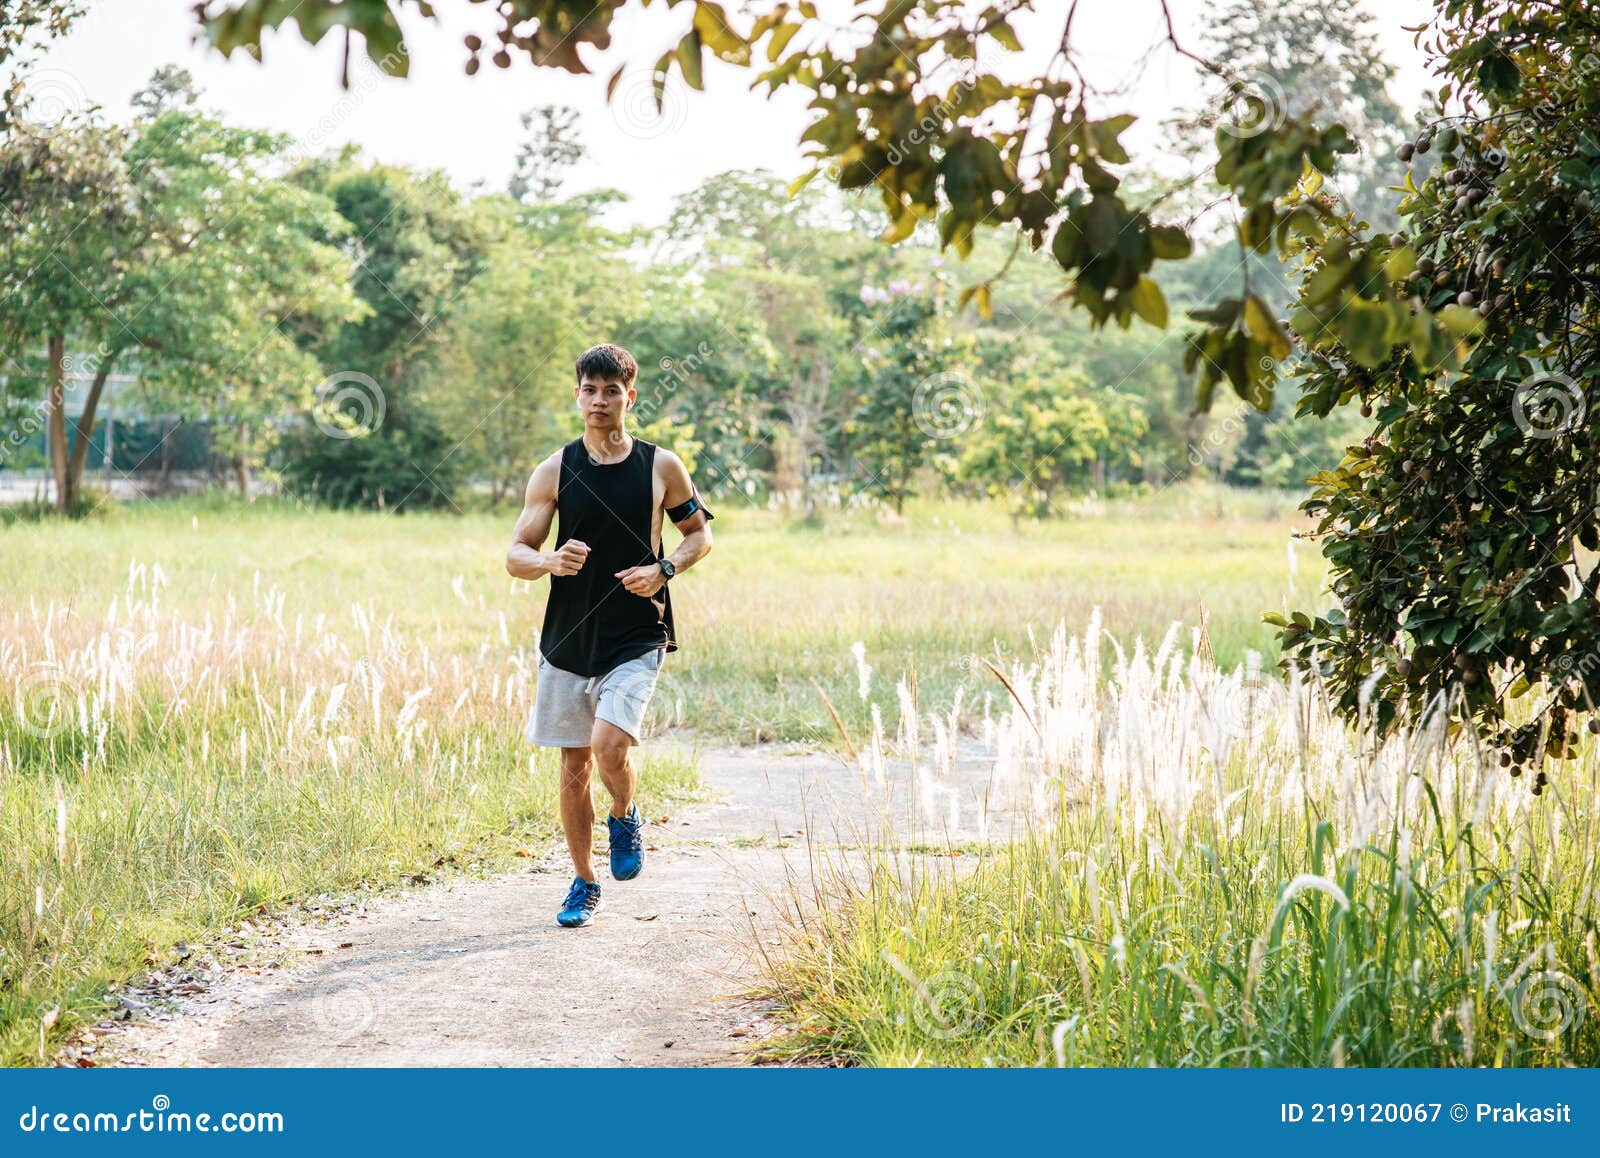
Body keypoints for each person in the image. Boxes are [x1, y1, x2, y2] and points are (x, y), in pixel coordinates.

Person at [504, 343, 715, 928]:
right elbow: (515, 555)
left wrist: (664, 569)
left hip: (635, 633)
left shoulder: (661, 466)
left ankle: (624, 811)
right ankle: (583, 881)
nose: (600, 401)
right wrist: (548, 562)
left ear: (630, 396)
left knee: (608, 748)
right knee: (573, 768)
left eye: (611, 391)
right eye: (589, 390)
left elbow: (699, 537)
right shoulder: (554, 470)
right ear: (577, 395)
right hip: (568, 639)